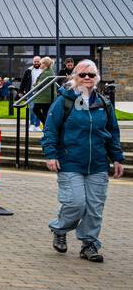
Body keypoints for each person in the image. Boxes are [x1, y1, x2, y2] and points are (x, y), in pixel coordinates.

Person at [41, 60, 124, 262]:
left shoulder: (104, 103)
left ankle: (89, 244)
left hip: (97, 163)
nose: (87, 78)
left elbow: (112, 132)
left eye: (91, 75)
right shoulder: (64, 101)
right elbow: (50, 129)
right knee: (76, 203)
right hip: (70, 162)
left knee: (95, 207)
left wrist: (117, 158)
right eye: (82, 75)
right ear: (74, 76)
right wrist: (50, 154)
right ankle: (60, 229)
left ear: (97, 78)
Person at [33, 57, 57, 129]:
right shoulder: (49, 71)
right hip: (47, 96)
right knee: (45, 112)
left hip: (44, 97)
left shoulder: (46, 73)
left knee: (35, 109)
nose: (40, 64)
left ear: (45, 64)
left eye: (41, 63)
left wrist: (35, 85)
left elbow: (39, 84)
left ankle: (45, 123)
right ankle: (47, 127)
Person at [20, 55, 43, 129]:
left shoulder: (43, 70)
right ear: (33, 62)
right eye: (35, 61)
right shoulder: (28, 70)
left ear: (40, 61)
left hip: (40, 92)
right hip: (30, 92)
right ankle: (32, 124)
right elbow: (23, 81)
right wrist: (20, 91)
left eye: (38, 61)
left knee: (39, 109)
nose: (36, 63)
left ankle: (37, 125)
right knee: (32, 108)